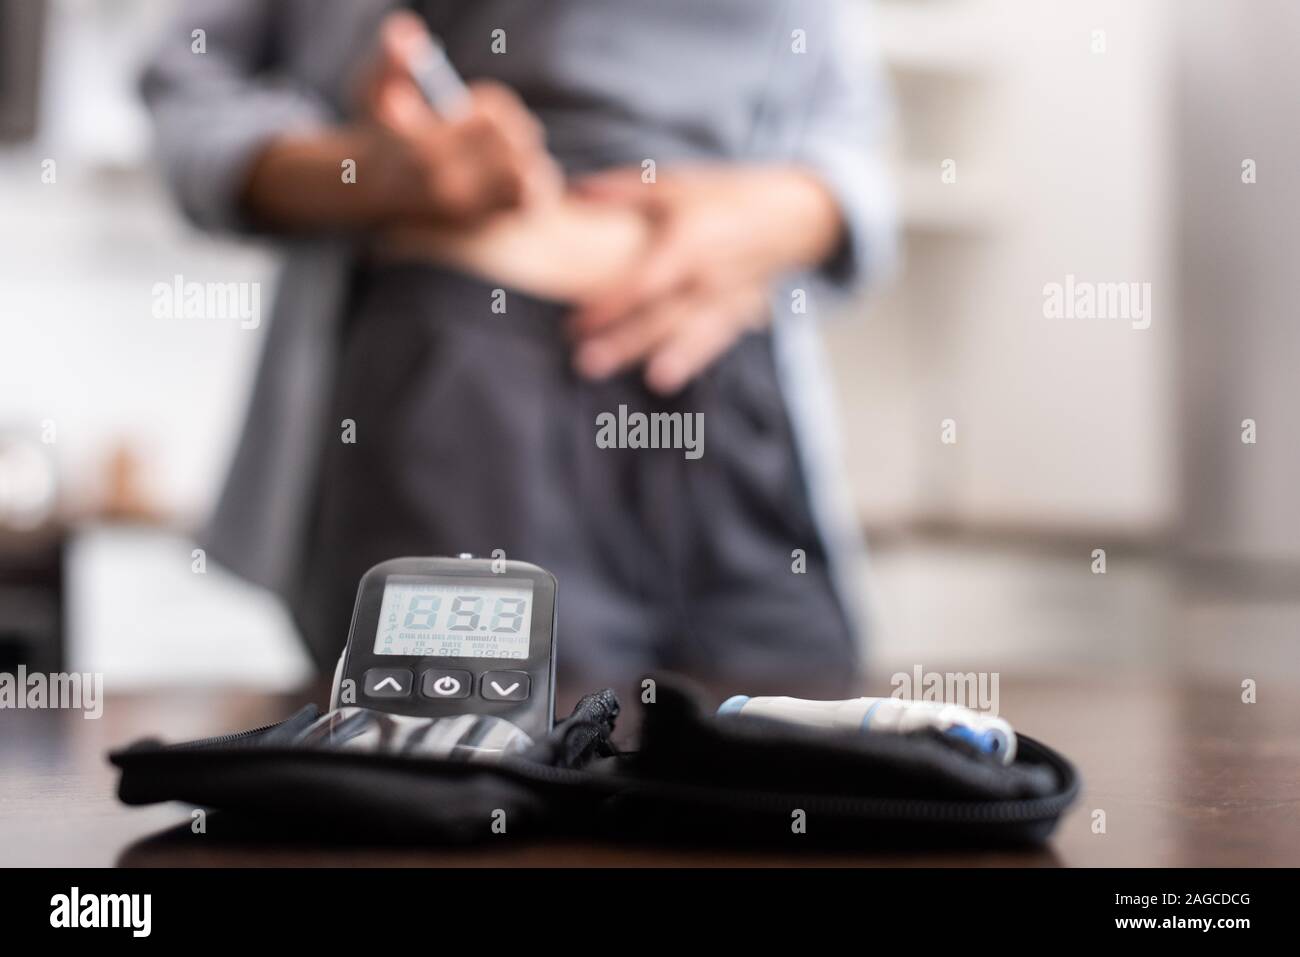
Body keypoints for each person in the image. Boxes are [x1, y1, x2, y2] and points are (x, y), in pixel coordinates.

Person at [142, 0, 895, 697]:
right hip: (463, 398)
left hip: (732, 392)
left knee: (809, 768)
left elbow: (848, 127)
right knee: (464, 771)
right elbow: (192, 81)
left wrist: (809, 208)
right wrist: (361, 173)